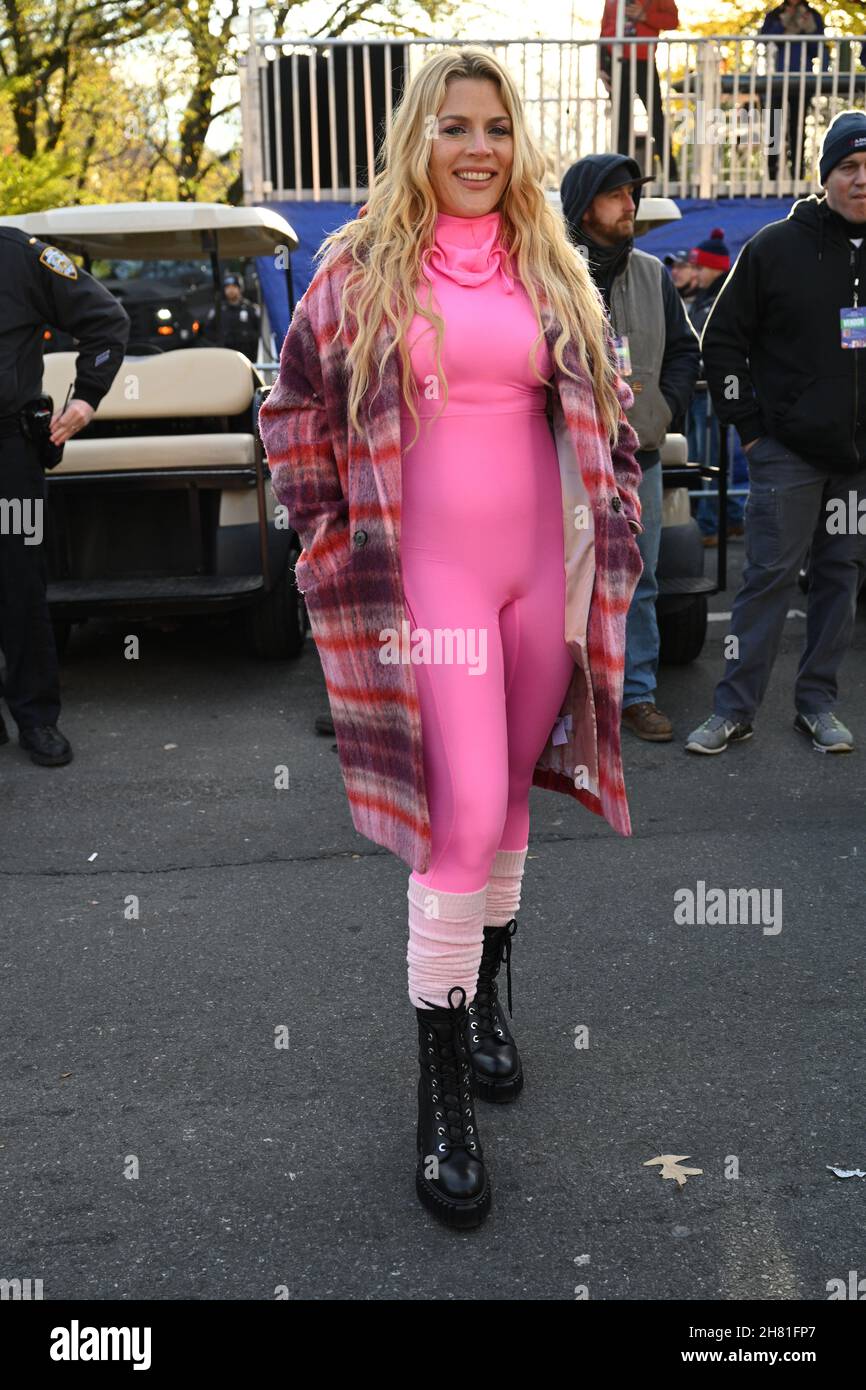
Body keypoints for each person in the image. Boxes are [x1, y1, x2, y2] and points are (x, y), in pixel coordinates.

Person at [258, 46, 645, 1231]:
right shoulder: (356, 270)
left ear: (513, 140)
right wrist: (325, 536)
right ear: (415, 139)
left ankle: (484, 1002)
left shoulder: (554, 266)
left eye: (493, 126)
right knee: (464, 812)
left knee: (515, 793)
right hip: (429, 581)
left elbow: (610, 412)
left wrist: (617, 513)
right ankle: (440, 1101)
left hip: (547, 572)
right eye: (451, 126)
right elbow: (290, 411)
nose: (475, 146)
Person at [686, 110, 866, 756]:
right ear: (825, 178)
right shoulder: (774, 248)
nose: (861, 179)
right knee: (766, 580)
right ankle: (734, 709)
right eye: (848, 168)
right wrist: (753, 433)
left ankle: (816, 704)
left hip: (855, 462)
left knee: (839, 580)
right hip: (785, 457)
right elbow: (721, 342)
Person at [561, 153, 700, 742]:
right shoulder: (546, 272)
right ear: (585, 203)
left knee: (639, 578)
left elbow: (685, 354)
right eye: (618, 193)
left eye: (633, 192)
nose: (631, 203)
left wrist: (660, 413)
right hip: (563, 461)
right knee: (565, 580)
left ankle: (636, 694)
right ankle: (564, 701)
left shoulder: (652, 272)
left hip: (637, 460)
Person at [0, 228, 130, 766]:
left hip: (8, 451)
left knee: (19, 582)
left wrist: (86, 399)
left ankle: (36, 718)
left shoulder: (18, 256)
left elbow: (105, 321)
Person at [684, 228, 747, 545]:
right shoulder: (706, 298)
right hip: (706, 393)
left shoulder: (721, 299)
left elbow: (718, 348)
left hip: (711, 392)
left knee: (708, 458)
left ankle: (709, 526)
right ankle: (733, 518)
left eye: (699, 266)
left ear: (716, 267)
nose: (694, 272)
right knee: (711, 457)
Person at [599, 1, 680, 180]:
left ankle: (671, 173)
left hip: (644, 62)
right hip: (616, 62)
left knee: (656, 118)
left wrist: (645, 17)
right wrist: (601, 65)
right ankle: (622, 175)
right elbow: (604, 27)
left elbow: (673, 21)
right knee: (621, 121)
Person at [759, 0, 830, 183]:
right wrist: (784, 24)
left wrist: (808, 26)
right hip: (775, 79)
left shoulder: (812, 15)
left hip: (801, 79)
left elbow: (818, 48)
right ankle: (772, 175)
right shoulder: (774, 16)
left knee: (798, 128)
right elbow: (765, 42)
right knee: (774, 127)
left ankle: (797, 175)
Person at [202, 275, 261, 360]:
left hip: (247, 356)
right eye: (228, 287)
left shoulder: (251, 309)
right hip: (224, 356)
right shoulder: (218, 310)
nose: (231, 290)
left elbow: (260, 332)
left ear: (240, 288)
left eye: (234, 287)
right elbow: (208, 331)